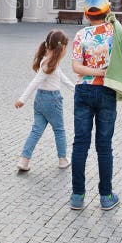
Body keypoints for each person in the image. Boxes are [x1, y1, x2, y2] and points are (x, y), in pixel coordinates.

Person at [69, 0, 122, 211]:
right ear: (108, 10)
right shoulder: (116, 31)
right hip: (107, 91)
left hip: (83, 91)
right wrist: (116, 73)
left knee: (80, 143)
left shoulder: (80, 35)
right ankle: (106, 196)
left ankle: (77, 196)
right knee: (104, 146)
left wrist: (95, 72)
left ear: (86, 14)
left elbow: (76, 67)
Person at [14, 29, 75, 172]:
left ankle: (24, 160)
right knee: (59, 130)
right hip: (53, 101)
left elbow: (63, 79)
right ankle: (62, 159)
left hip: (40, 101)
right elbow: (35, 82)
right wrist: (22, 99)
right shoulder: (50, 64)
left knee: (36, 131)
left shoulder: (47, 62)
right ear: (62, 47)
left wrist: (76, 90)